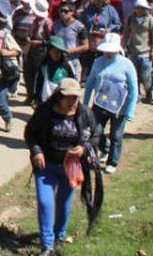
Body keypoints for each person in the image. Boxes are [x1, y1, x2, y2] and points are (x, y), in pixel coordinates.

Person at [24, 78, 99, 256]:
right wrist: (37, 151)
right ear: (59, 96)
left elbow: (96, 136)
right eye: (68, 97)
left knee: (63, 203)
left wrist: (83, 149)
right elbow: (30, 133)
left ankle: (59, 236)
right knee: (45, 203)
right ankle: (47, 245)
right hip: (47, 165)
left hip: (71, 168)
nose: (72, 101)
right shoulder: (45, 111)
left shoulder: (84, 113)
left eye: (75, 97)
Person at [84, 33, 138, 175]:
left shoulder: (127, 64)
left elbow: (134, 88)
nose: (108, 53)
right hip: (100, 103)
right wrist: (85, 103)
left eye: (111, 51)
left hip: (119, 107)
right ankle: (103, 150)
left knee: (116, 135)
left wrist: (130, 111)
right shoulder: (98, 62)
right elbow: (90, 83)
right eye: (106, 50)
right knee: (96, 131)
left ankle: (112, 162)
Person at [123, 0, 153, 103]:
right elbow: (125, 34)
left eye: (142, 8)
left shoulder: (150, 20)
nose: (140, 10)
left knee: (146, 76)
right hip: (133, 51)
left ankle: (148, 92)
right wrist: (124, 47)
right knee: (134, 75)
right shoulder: (130, 19)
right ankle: (136, 94)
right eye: (138, 8)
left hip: (146, 52)